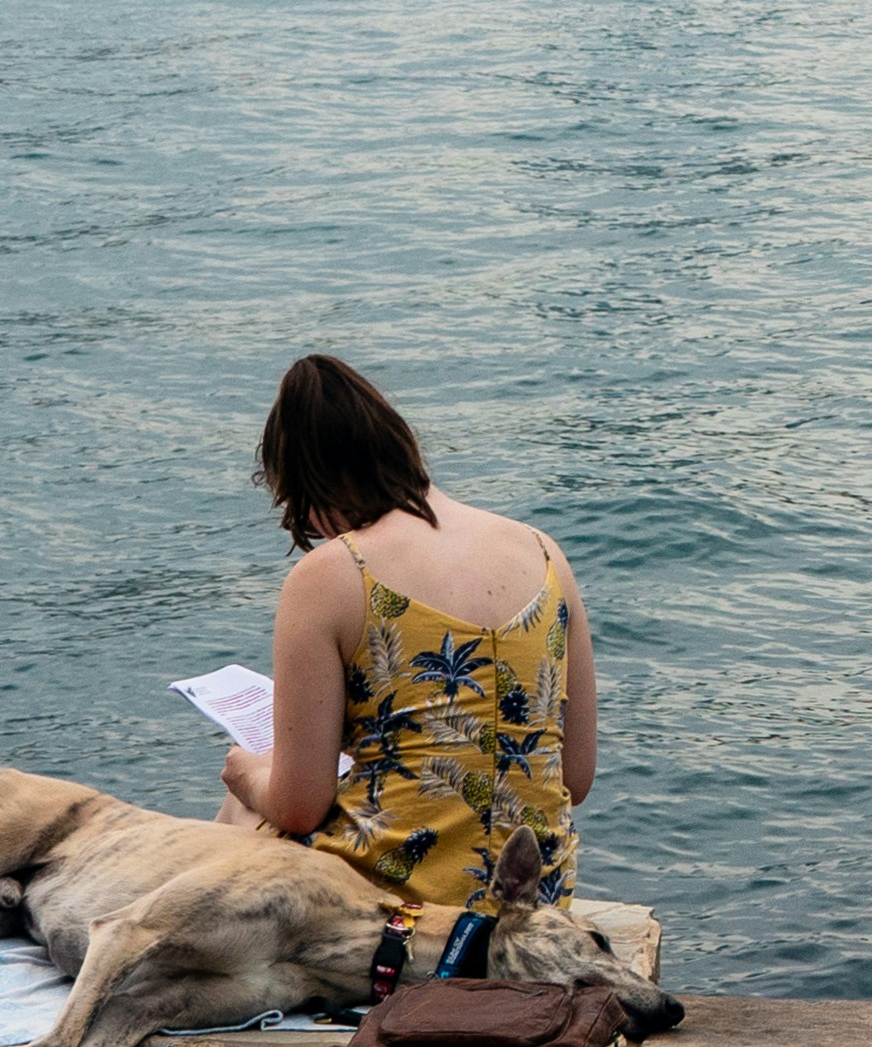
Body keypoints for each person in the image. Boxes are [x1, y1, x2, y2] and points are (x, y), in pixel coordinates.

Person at [219, 350, 596, 922]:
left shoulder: (332, 575)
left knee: (242, 810)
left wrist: (246, 772)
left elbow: (298, 806)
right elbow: (575, 776)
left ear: (311, 486)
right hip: (532, 896)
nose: (314, 532)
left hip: (400, 907)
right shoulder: (545, 554)